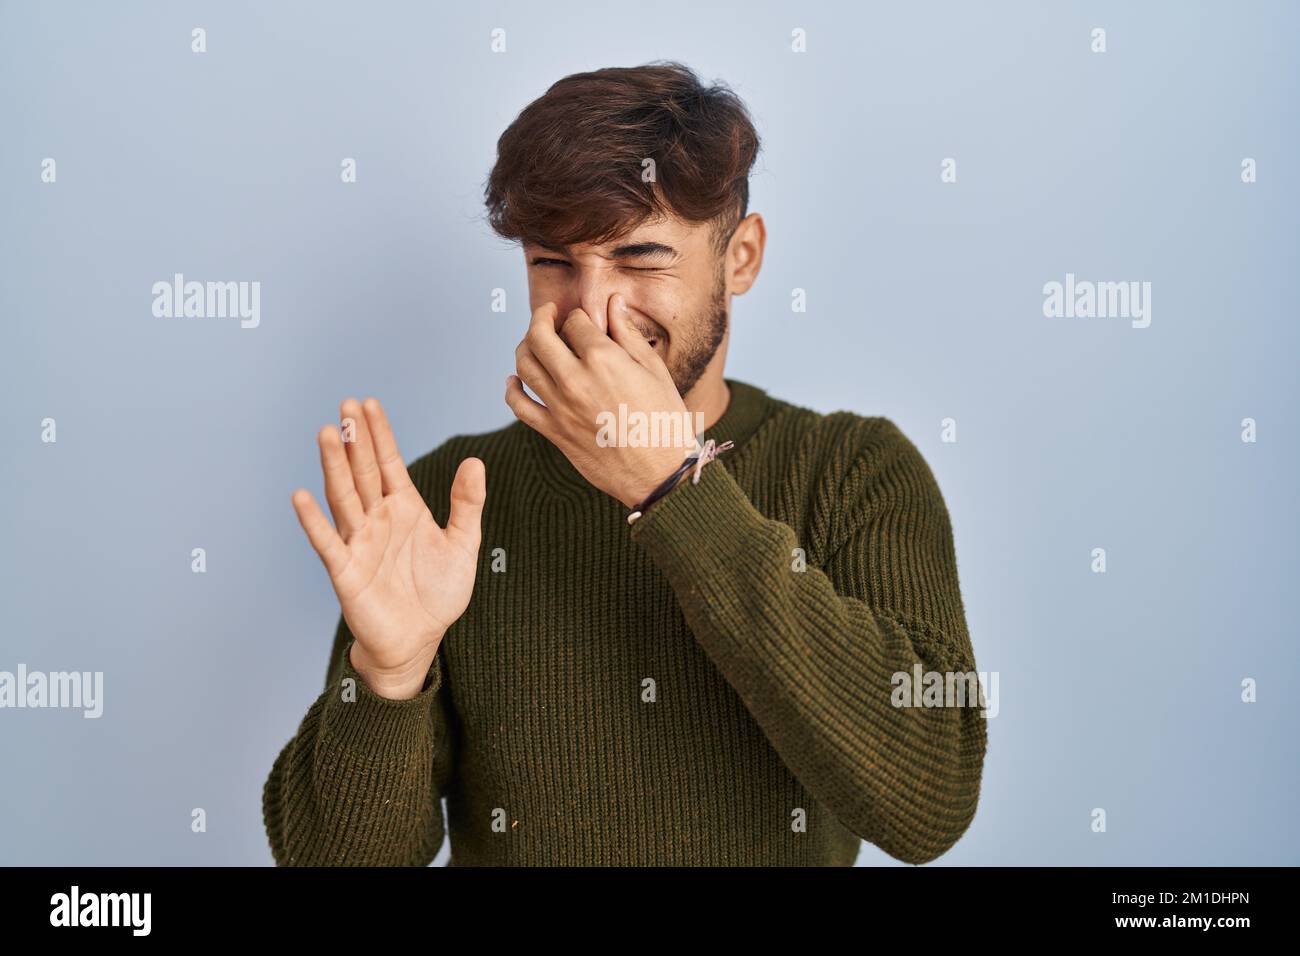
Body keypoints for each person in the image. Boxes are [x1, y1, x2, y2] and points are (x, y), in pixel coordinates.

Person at [262, 61, 987, 866]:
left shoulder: (855, 470)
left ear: (740, 257)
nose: (592, 312)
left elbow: (933, 802)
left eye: (641, 258)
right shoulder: (446, 502)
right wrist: (387, 675)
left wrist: (673, 491)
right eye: (553, 262)